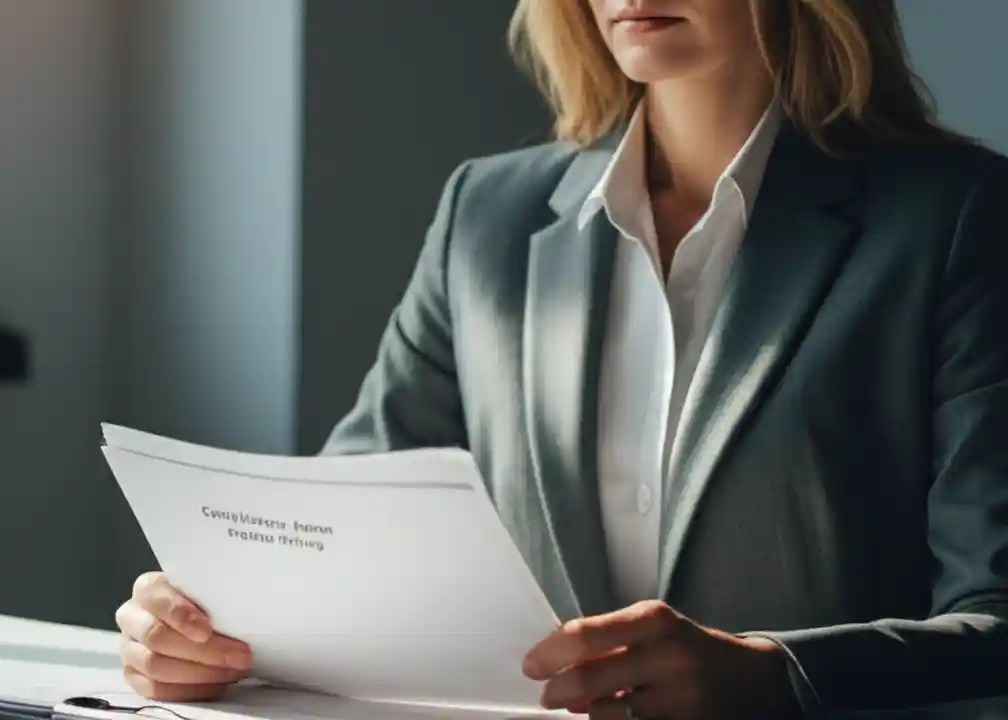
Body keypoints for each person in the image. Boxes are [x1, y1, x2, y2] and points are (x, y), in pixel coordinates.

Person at [114, 0, 1008, 717]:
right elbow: (347, 544)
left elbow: (996, 618)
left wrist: (773, 676)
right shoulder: (488, 215)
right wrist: (214, 633)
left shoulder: (956, 218)